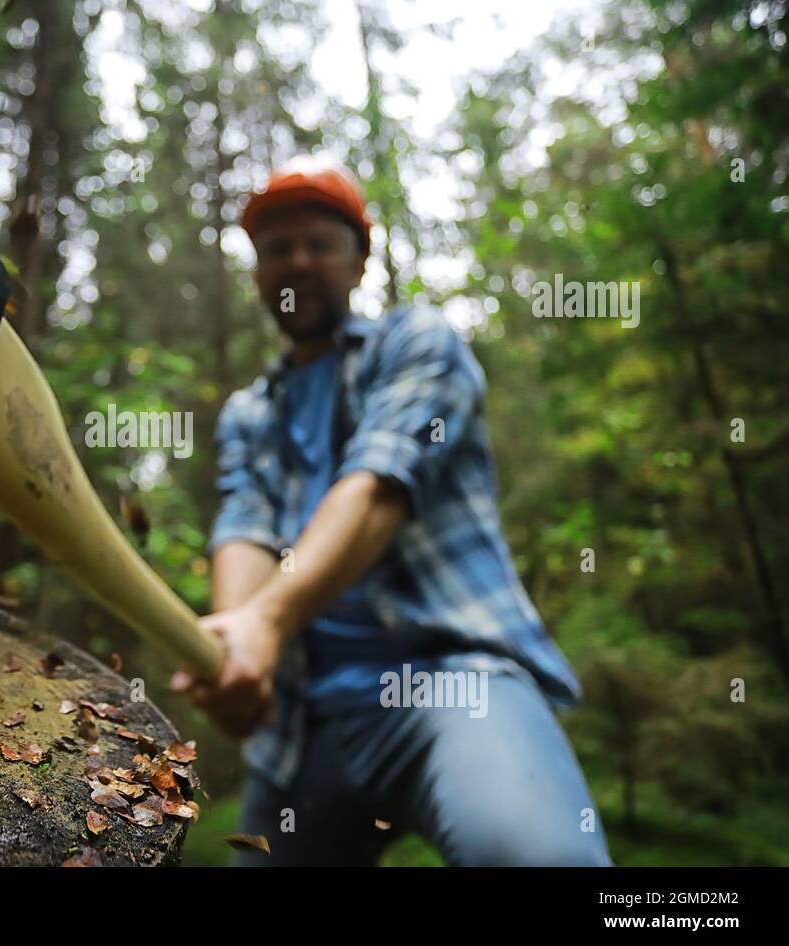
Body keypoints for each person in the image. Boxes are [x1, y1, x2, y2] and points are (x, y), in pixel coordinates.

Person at [170, 157, 612, 866]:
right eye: (277, 250)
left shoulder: (418, 343)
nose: (299, 262)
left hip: (451, 683)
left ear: (359, 262)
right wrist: (237, 652)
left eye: (321, 243)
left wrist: (267, 620)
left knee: (537, 857)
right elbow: (244, 527)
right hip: (304, 727)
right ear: (256, 275)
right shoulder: (250, 414)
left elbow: (378, 484)